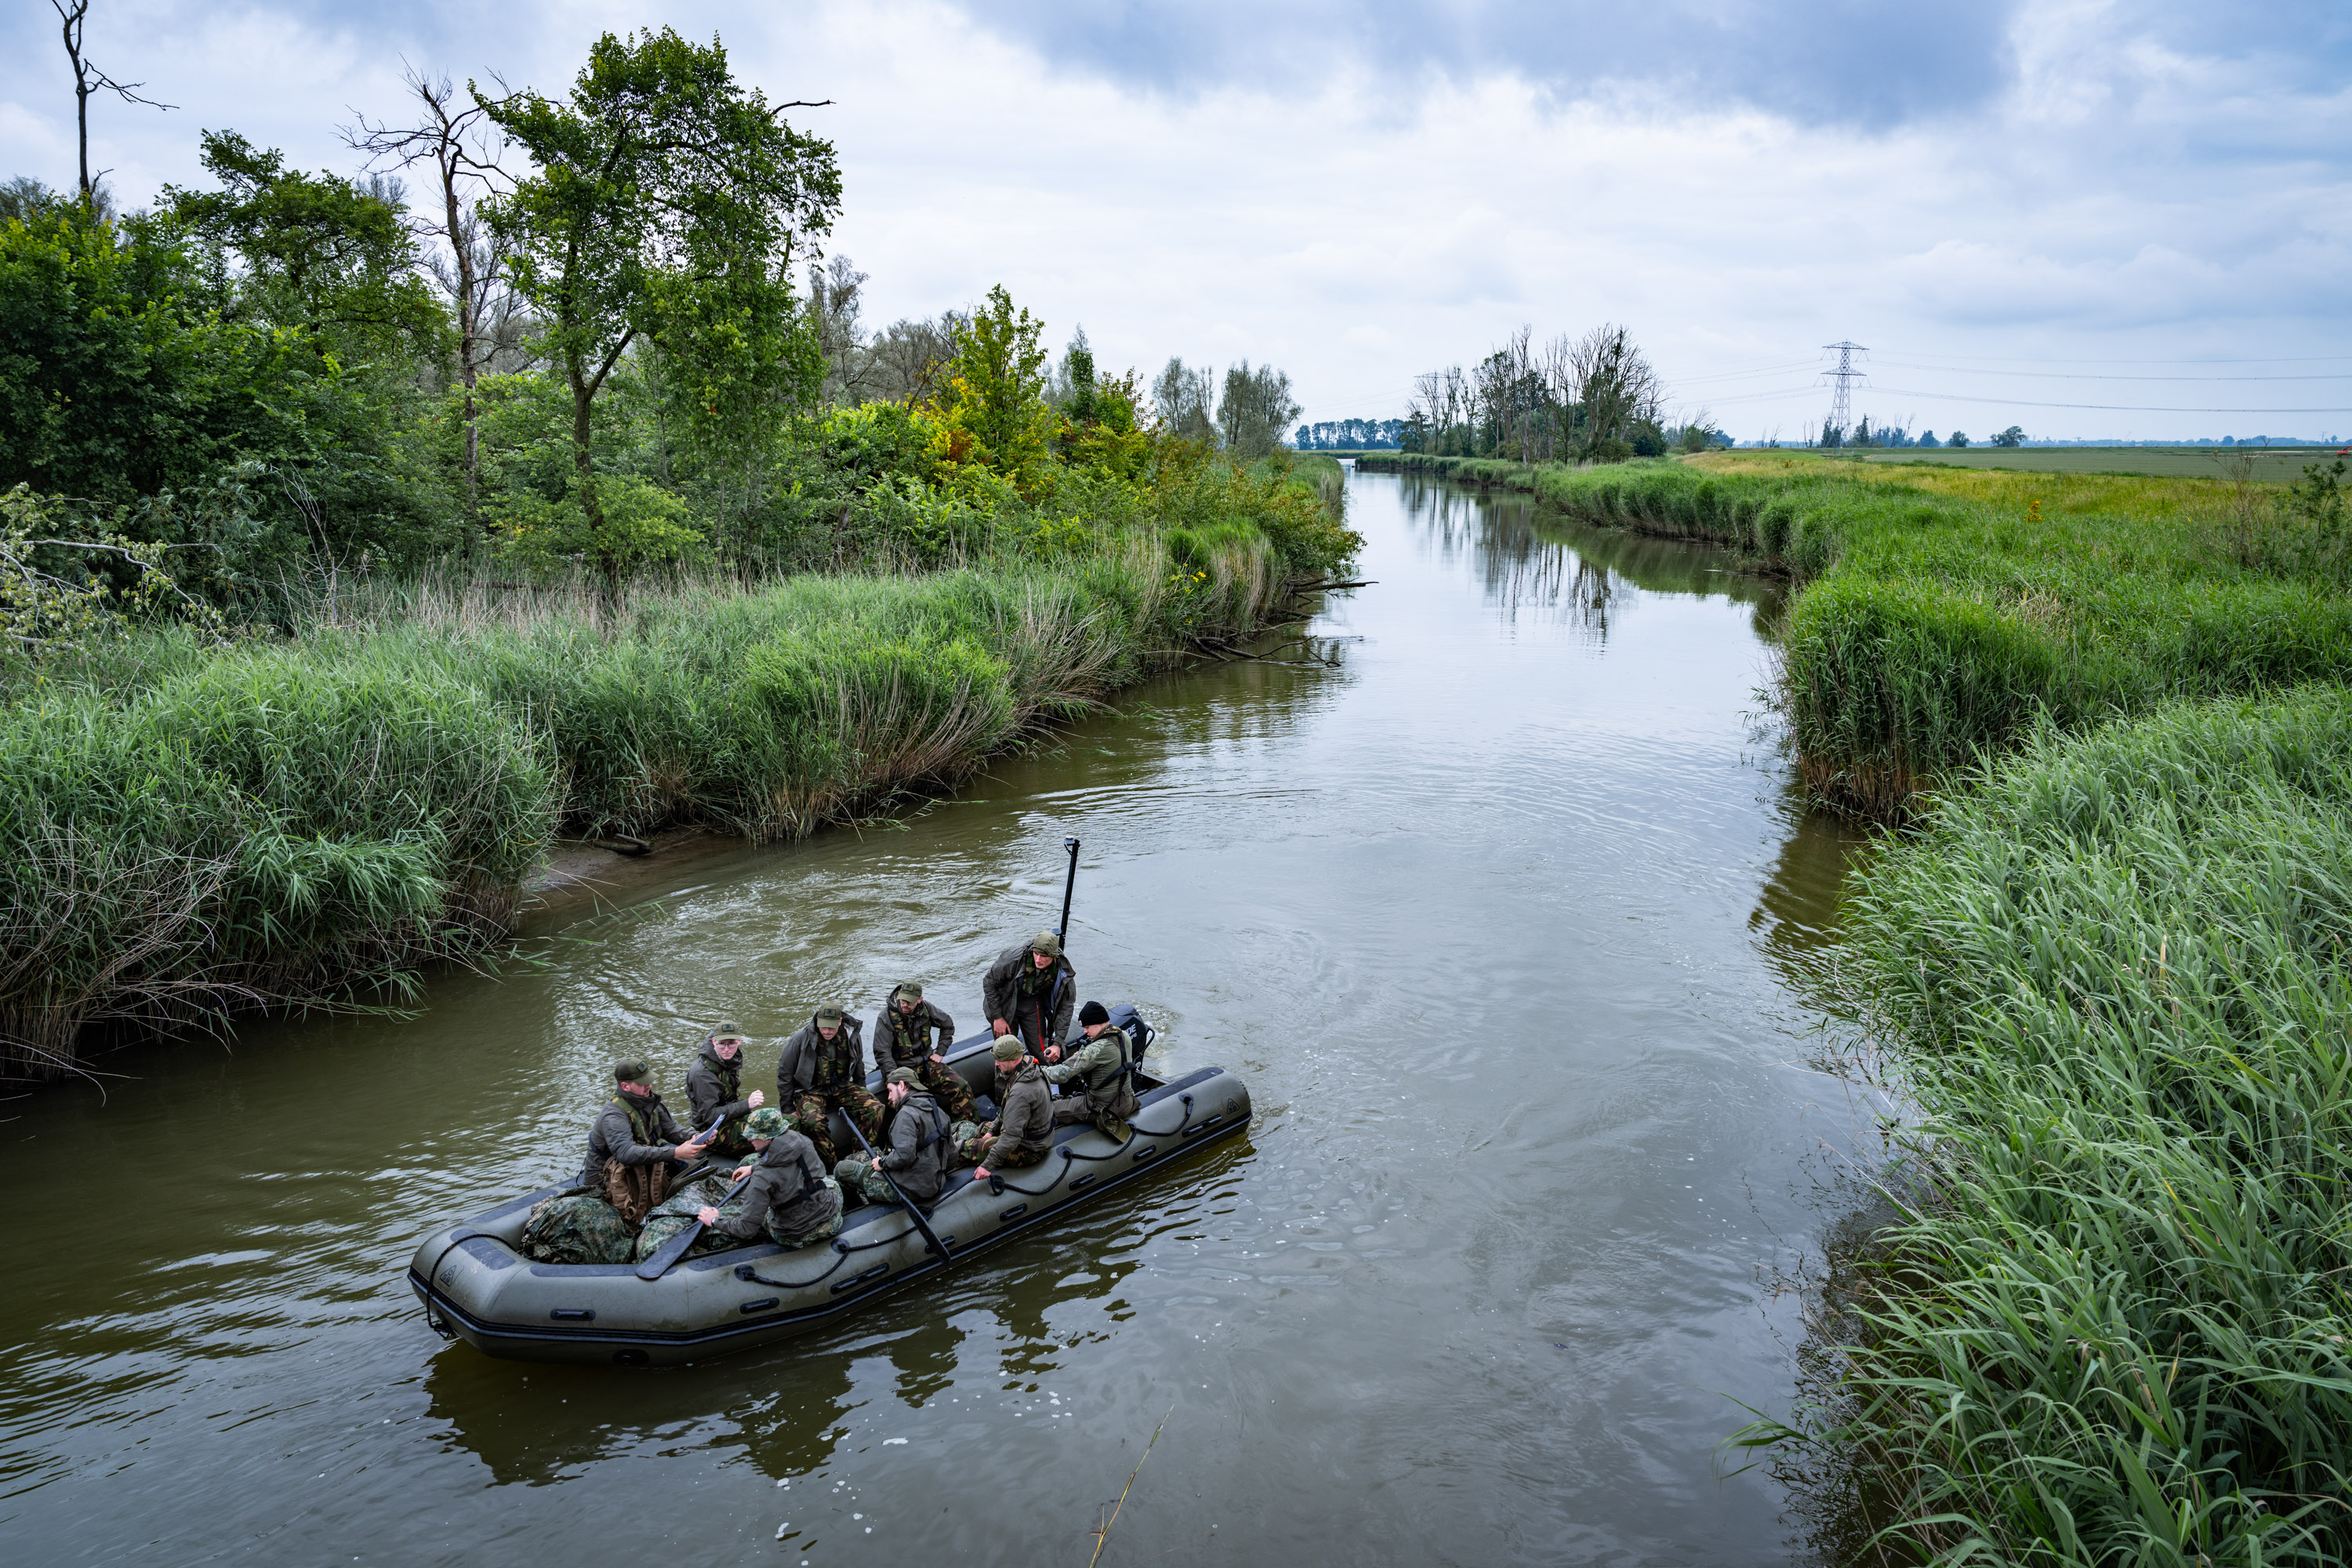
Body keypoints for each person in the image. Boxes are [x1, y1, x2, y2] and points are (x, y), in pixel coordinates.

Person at [579, 1059, 710, 1225]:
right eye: (643, 1083)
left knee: (696, 1170)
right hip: (610, 1181)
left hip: (640, 1168)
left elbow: (670, 1129)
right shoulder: (613, 1115)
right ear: (625, 1086)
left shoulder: (649, 1100)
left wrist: (695, 1136)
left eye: (649, 1081)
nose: (649, 1086)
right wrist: (676, 1152)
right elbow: (626, 1153)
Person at [696, 1107, 843, 1250]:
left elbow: (746, 1229)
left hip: (796, 1235)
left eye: (755, 1136)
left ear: (768, 1139)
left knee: (749, 1213)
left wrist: (714, 1220)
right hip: (830, 1215)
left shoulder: (762, 1178)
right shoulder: (803, 1141)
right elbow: (780, 1157)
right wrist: (753, 1168)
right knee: (829, 1182)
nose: (749, 1139)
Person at [834, 1067, 975, 1208]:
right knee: (867, 1154)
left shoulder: (906, 1115)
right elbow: (951, 1157)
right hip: (935, 1182)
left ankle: (853, 1209)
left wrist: (883, 1163)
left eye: (890, 1090)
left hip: (908, 1188)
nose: (889, 1097)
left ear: (901, 1085)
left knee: (843, 1168)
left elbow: (905, 1156)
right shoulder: (937, 1111)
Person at [775, 1004, 884, 1167]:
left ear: (840, 1022)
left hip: (841, 1086)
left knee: (876, 1108)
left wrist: (862, 1088)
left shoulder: (850, 1035)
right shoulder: (801, 1038)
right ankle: (831, 1166)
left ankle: (859, 1158)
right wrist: (787, 1108)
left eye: (831, 1028)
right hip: (811, 1090)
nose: (827, 1031)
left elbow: (858, 1063)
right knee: (814, 1122)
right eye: (823, 1027)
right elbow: (784, 1072)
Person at [871, 982, 980, 1123]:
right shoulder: (886, 1017)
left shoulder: (926, 1009)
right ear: (898, 996)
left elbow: (947, 1025)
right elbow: (882, 1052)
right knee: (911, 1105)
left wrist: (940, 1052)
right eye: (903, 1000)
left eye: (909, 1002)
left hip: (926, 1064)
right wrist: (894, 1079)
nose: (905, 1005)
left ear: (919, 1000)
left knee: (961, 1086)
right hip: (902, 1070)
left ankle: (968, 1130)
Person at [1042, 1000, 1142, 1141]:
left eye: (1087, 1027)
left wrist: (1035, 1071)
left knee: (1046, 1110)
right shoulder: (1123, 1035)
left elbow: (1062, 1073)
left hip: (1102, 1108)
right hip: (1126, 1101)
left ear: (1099, 1023)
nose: (1085, 1031)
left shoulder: (1096, 1049)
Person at [960, 1037, 1055, 1179]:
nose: (996, 1063)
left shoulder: (1021, 1092)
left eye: (1000, 1059)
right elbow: (1006, 1111)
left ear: (1014, 1059)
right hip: (1030, 1134)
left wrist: (987, 1166)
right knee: (983, 1128)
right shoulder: (1028, 1068)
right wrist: (991, 1131)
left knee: (965, 1150)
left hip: (1030, 1148)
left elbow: (1011, 1138)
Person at [981, 931, 1075, 1060]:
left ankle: (1043, 1076)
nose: (1038, 960)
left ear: (1054, 956)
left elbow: (1066, 1007)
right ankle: (1007, 1079)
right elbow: (989, 982)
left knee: (1041, 1050)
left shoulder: (1062, 971)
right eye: (1036, 954)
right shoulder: (1013, 959)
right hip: (1005, 1003)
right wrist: (997, 1017)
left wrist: (1058, 1043)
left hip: (1032, 1002)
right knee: (1005, 1053)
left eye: (1043, 956)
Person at [683, 1022, 766, 1161]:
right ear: (713, 1042)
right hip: (711, 1132)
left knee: (781, 1122)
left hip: (729, 1118)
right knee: (769, 1136)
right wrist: (747, 1105)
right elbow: (709, 1116)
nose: (727, 1049)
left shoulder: (725, 1058)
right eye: (722, 1044)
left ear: (739, 1041)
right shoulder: (702, 1074)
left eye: (731, 1043)